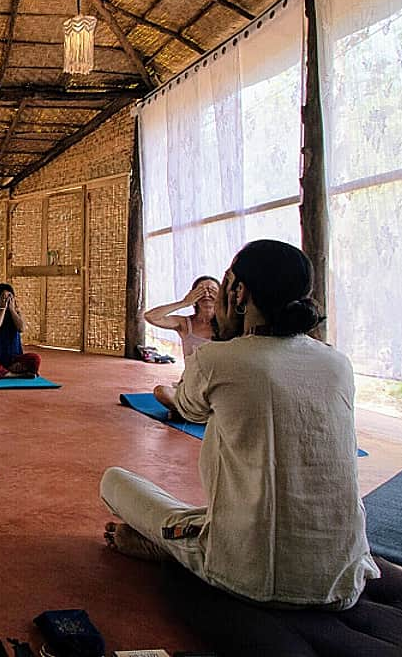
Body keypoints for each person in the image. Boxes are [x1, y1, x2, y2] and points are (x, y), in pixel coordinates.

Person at [101, 240, 379, 610]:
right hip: (342, 581)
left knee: (115, 481)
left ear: (238, 291)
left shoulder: (219, 358)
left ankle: (176, 548)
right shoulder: (337, 363)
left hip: (246, 576)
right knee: (228, 507)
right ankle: (182, 540)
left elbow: (188, 408)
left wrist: (228, 335)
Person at [144, 275, 219, 408]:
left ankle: (192, 412)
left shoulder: (228, 326)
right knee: (161, 391)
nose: (207, 294)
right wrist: (184, 302)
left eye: (212, 290)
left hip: (217, 387)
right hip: (192, 386)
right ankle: (196, 410)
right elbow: (151, 316)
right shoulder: (185, 324)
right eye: (201, 290)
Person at [0, 283, 41, 380]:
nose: (7, 300)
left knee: (35, 359)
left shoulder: (16, 313)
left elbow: (21, 328)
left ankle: (5, 372)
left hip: (14, 360)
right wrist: (2, 308)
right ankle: (13, 375)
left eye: (9, 297)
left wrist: (12, 309)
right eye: (4, 297)